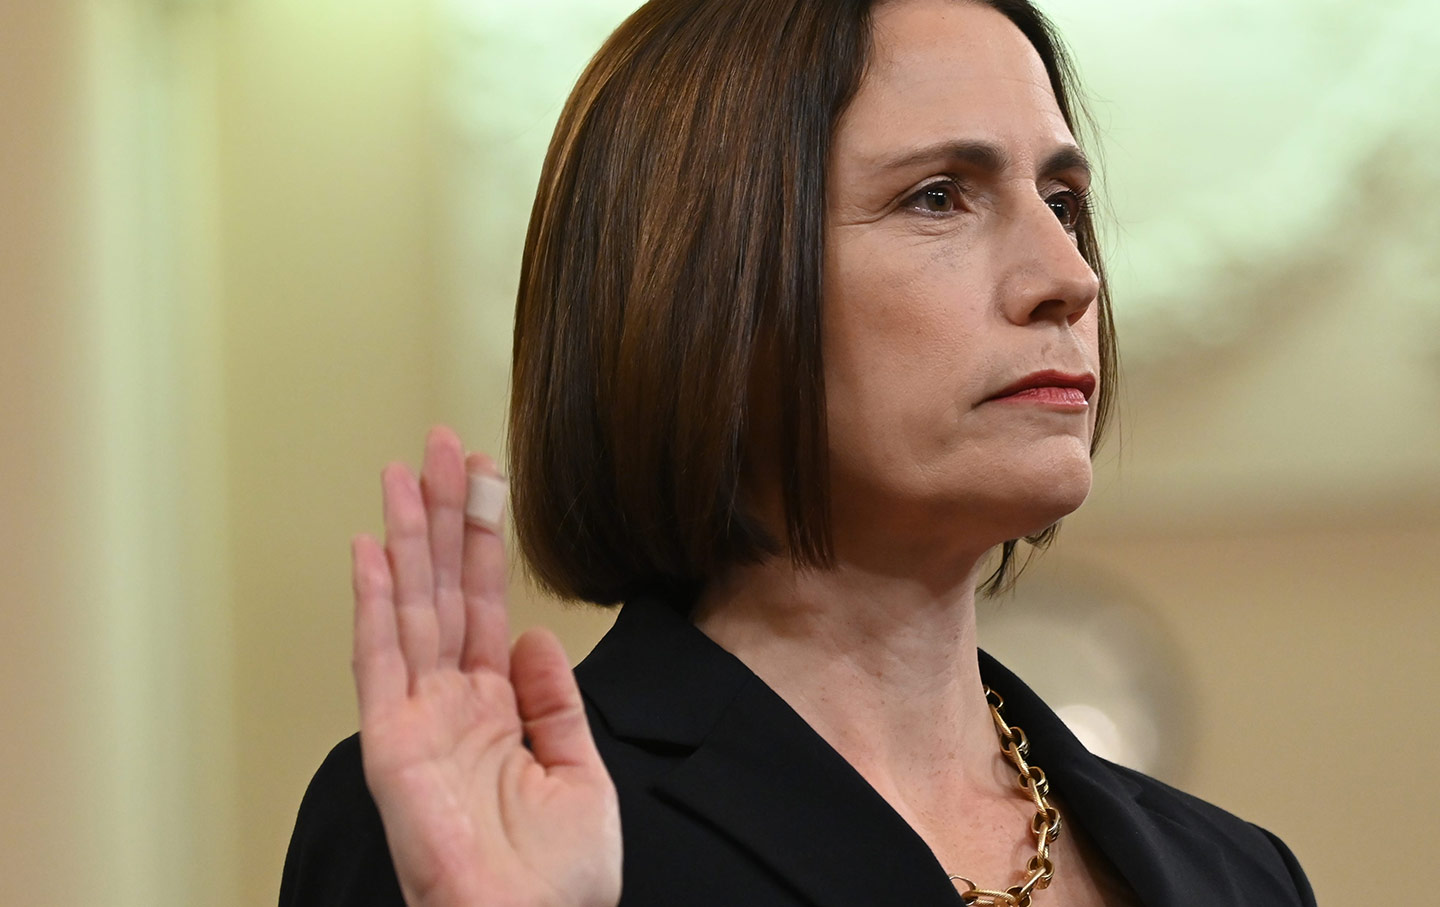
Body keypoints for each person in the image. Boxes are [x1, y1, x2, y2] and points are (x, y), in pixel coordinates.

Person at [280, 0, 1316, 904]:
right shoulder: (482, 821)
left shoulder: (1241, 874)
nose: (1070, 277)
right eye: (940, 195)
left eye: (1063, 203)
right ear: (707, 281)